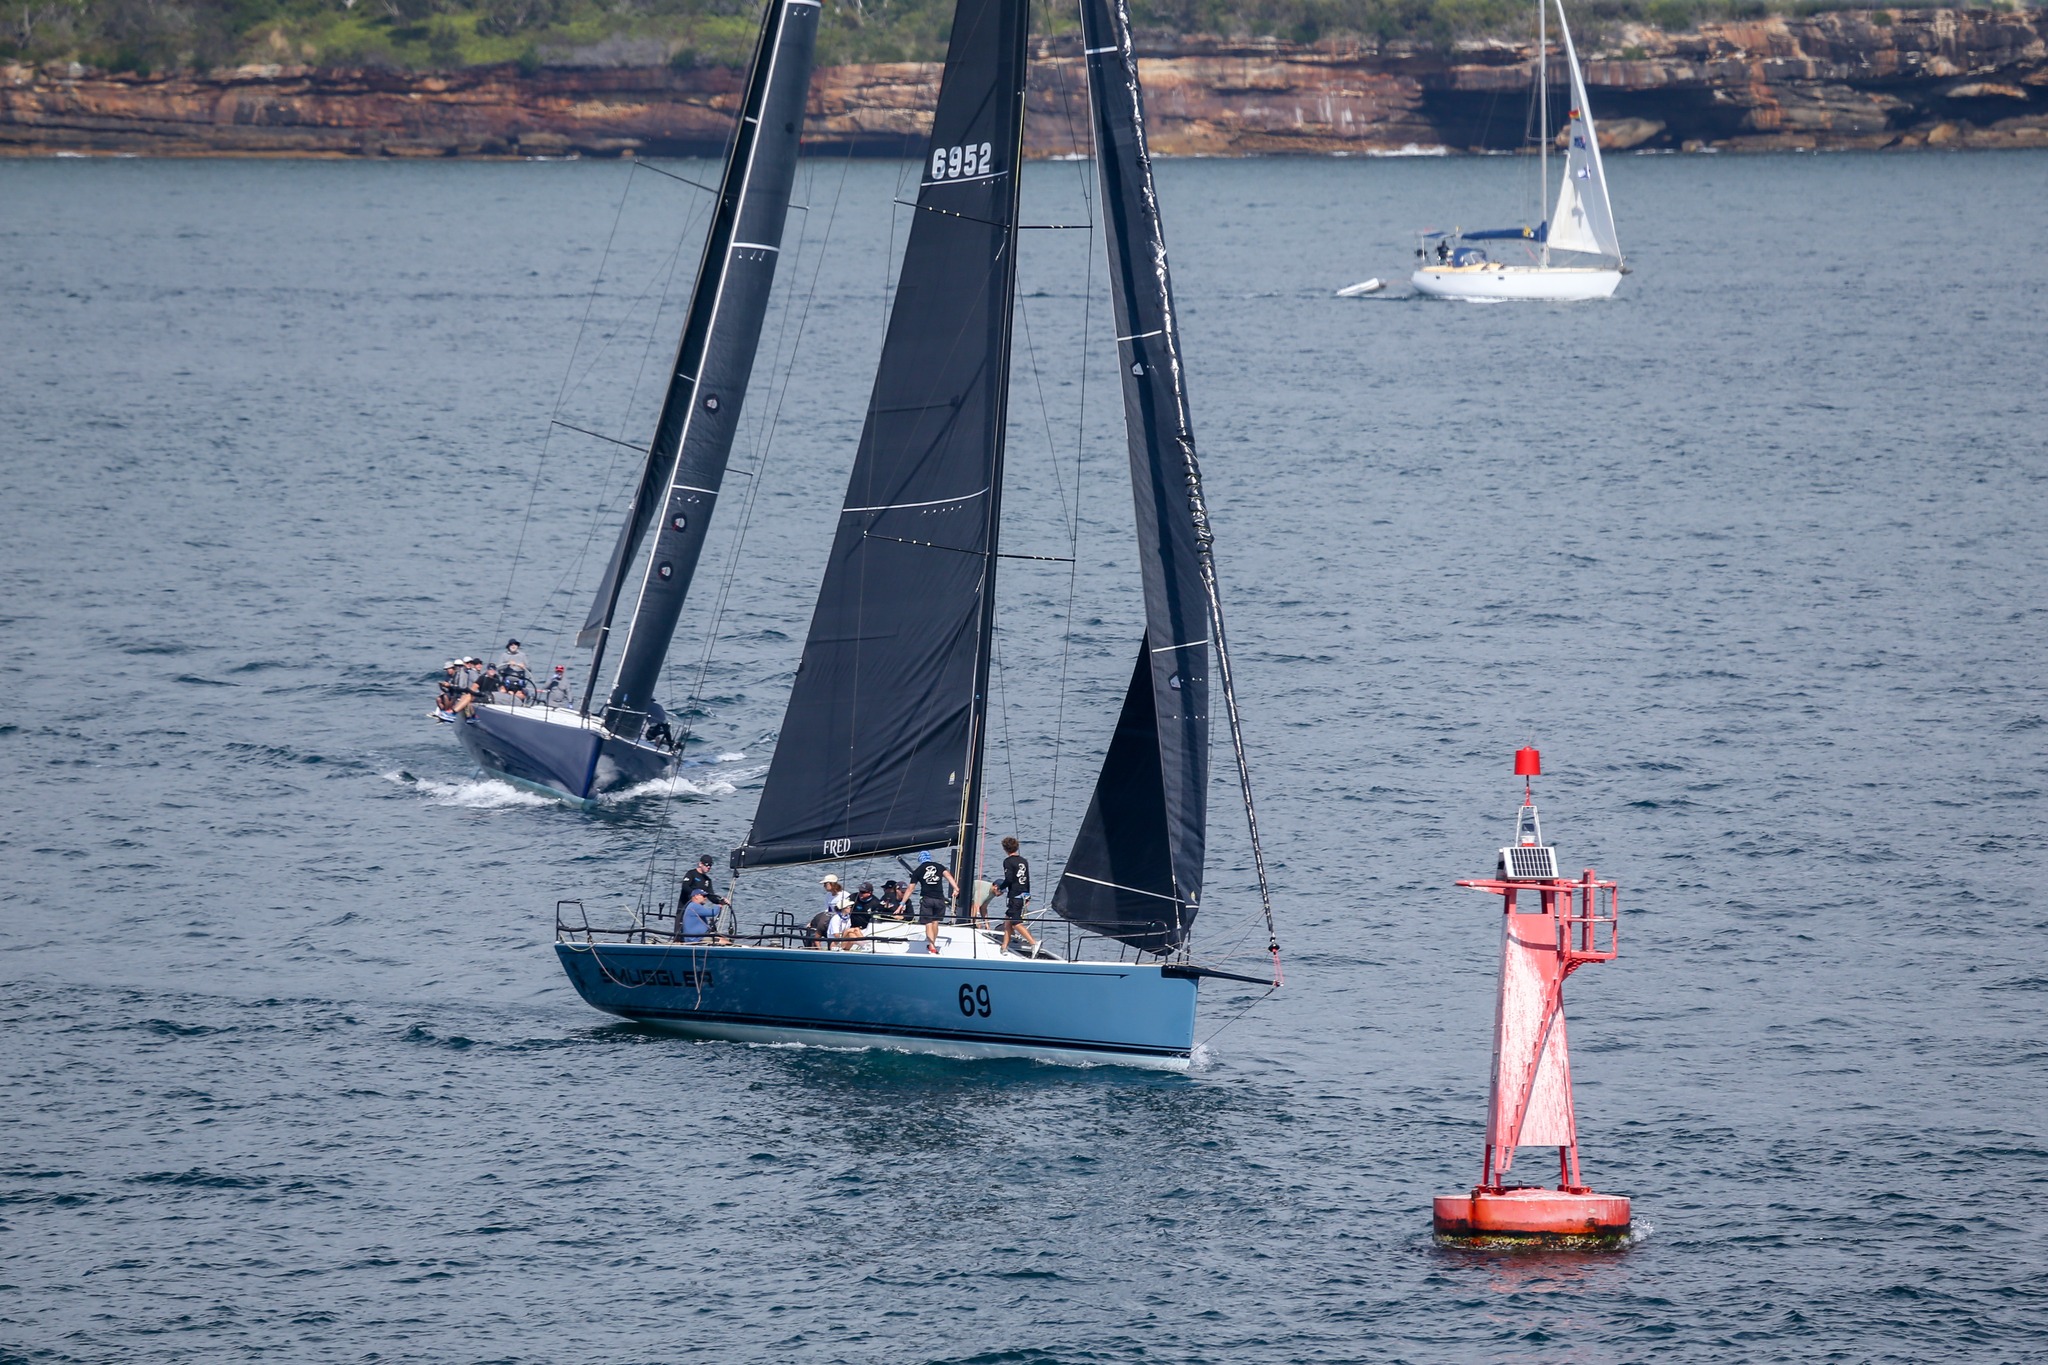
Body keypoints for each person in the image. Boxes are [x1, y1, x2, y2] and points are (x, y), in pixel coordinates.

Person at [992, 835, 1037, 955]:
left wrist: (1000, 888)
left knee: (1015, 922)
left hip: (1015, 895)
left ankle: (1033, 943)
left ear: (1005, 849)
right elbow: (1026, 879)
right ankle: (1004, 947)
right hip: (1023, 894)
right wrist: (1028, 895)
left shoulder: (1008, 861)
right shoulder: (1023, 861)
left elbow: (1009, 879)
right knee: (1007, 921)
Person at [910, 851, 958, 954]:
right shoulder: (939, 866)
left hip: (927, 899)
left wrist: (901, 904)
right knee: (935, 922)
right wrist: (956, 888)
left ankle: (931, 945)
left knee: (928, 923)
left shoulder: (918, 870)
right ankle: (933, 944)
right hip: (940, 899)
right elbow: (949, 876)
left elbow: (911, 889)